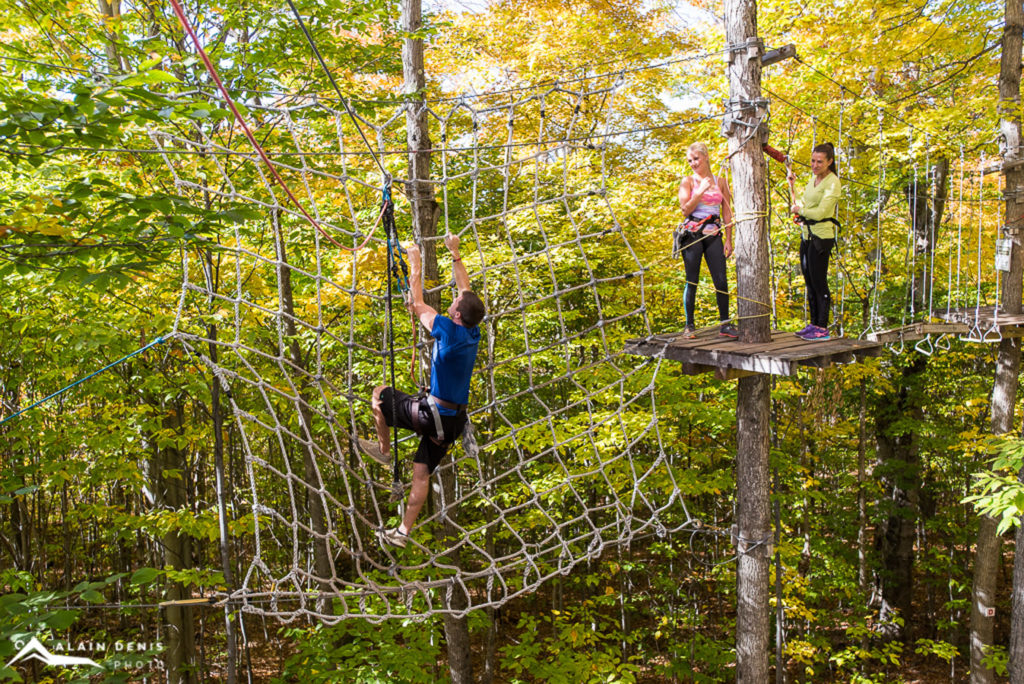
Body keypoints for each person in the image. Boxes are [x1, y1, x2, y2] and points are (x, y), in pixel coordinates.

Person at [358, 233, 485, 550]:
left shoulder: (448, 331)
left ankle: (384, 452)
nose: (454, 299)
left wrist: (415, 262)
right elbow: (465, 288)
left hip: (433, 416)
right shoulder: (472, 330)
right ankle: (402, 532)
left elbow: (417, 304)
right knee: (420, 474)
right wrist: (455, 254)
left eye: (454, 303)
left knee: (379, 394)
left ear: (456, 315)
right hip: (453, 422)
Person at [675, 142, 737, 339]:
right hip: (692, 235)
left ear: (706, 157)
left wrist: (729, 239)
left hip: (713, 234)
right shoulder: (689, 182)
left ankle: (725, 324)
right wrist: (700, 190)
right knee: (691, 280)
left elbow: (726, 211)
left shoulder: (721, 182)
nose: (693, 163)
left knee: (721, 280)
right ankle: (689, 326)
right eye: (690, 160)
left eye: (696, 159)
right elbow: (685, 209)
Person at [788, 142, 841, 341]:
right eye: (812, 161)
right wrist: (793, 187)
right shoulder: (814, 180)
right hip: (807, 234)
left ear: (829, 162)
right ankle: (813, 323)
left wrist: (800, 211)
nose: (815, 165)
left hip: (822, 237)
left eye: (819, 162)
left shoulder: (832, 182)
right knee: (809, 279)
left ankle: (822, 326)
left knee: (819, 281)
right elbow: (808, 205)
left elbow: (822, 212)